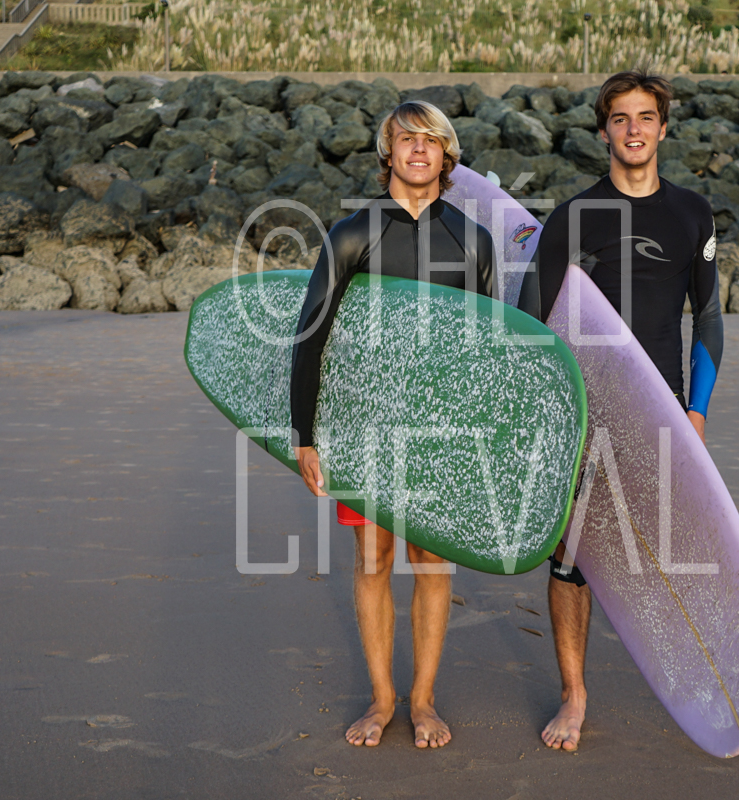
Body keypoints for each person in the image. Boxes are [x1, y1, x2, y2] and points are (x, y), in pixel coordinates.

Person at [517, 70, 739, 756]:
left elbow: (709, 318)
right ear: (603, 130)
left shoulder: (692, 214)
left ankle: (730, 696)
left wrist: (696, 410)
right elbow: (530, 322)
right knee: (573, 557)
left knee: (689, 550)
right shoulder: (574, 218)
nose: (633, 130)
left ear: (664, 128)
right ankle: (574, 696)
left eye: (645, 118)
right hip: (585, 412)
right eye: (620, 119)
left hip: (662, 412)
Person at [290, 101, 495, 749]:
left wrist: (480, 435)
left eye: (431, 141)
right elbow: (310, 338)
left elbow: (487, 350)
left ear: (446, 156)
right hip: (366, 423)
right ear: (388, 155)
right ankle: (383, 699)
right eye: (406, 139)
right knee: (374, 558)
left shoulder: (473, 240)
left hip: (441, 428)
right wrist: (304, 435)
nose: (418, 150)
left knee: (431, 559)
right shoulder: (354, 233)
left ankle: (424, 700)